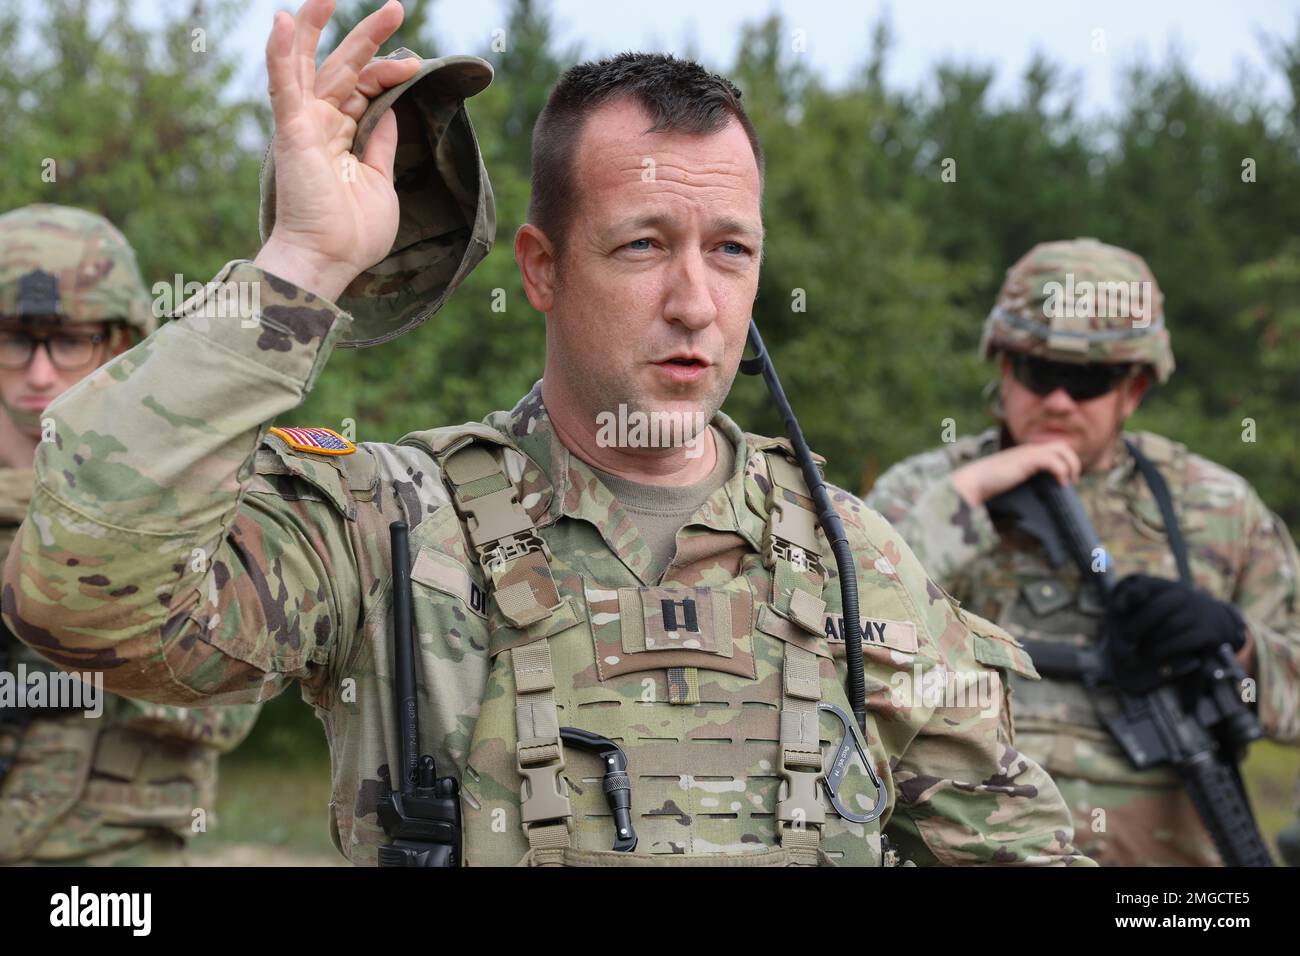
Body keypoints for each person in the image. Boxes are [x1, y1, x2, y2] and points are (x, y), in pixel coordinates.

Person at [3, 0, 1088, 866]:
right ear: (541, 267)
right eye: (642, 245)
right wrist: (301, 266)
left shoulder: (856, 559)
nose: (695, 303)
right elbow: (85, 596)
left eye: (729, 251)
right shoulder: (389, 525)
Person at [866, 236, 1300, 865]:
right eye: (1040, 373)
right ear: (1005, 368)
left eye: (1089, 380)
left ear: (1135, 389)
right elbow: (842, 637)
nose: (1060, 401)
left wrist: (1237, 642)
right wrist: (964, 501)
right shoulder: (920, 492)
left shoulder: (1216, 509)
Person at [0, 203, 260, 865]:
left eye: (69, 339)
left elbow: (223, 697)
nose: (38, 371)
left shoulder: (189, 492)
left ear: (119, 342)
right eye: (13, 339)